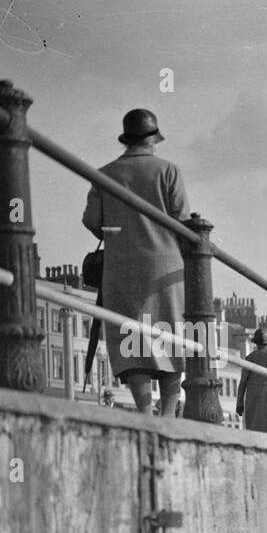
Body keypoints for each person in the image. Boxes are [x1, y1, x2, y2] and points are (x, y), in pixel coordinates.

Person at [82, 109, 188, 417]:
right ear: (154, 139)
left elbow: (92, 221)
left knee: (132, 338)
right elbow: (183, 222)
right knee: (170, 336)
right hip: (166, 265)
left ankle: (144, 412)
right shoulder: (169, 171)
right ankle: (168, 414)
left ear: (126, 140)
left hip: (122, 268)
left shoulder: (105, 174)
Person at [235, 327, 267, 437]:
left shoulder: (250, 358)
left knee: (255, 427)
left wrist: (239, 403)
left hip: (253, 395)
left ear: (256, 343)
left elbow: (243, 383)